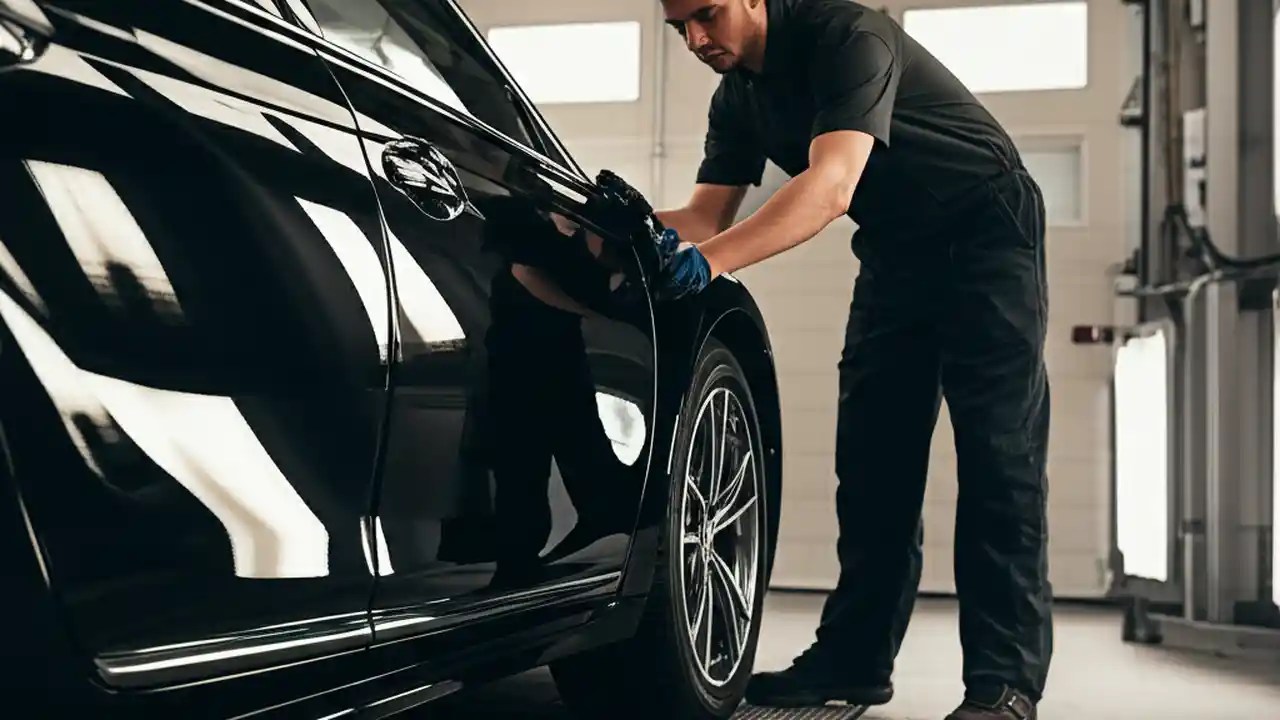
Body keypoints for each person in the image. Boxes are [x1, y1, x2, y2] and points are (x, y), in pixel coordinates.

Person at [650, 1, 1052, 719]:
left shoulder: (848, 36)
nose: (697, 40)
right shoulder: (738, 95)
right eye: (680, 28)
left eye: (707, 15)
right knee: (872, 465)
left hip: (987, 229)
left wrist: (706, 265)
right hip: (898, 250)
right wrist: (608, 226)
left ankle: (1004, 683)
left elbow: (832, 187)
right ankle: (854, 660)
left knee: (999, 459)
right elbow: (705, 216)